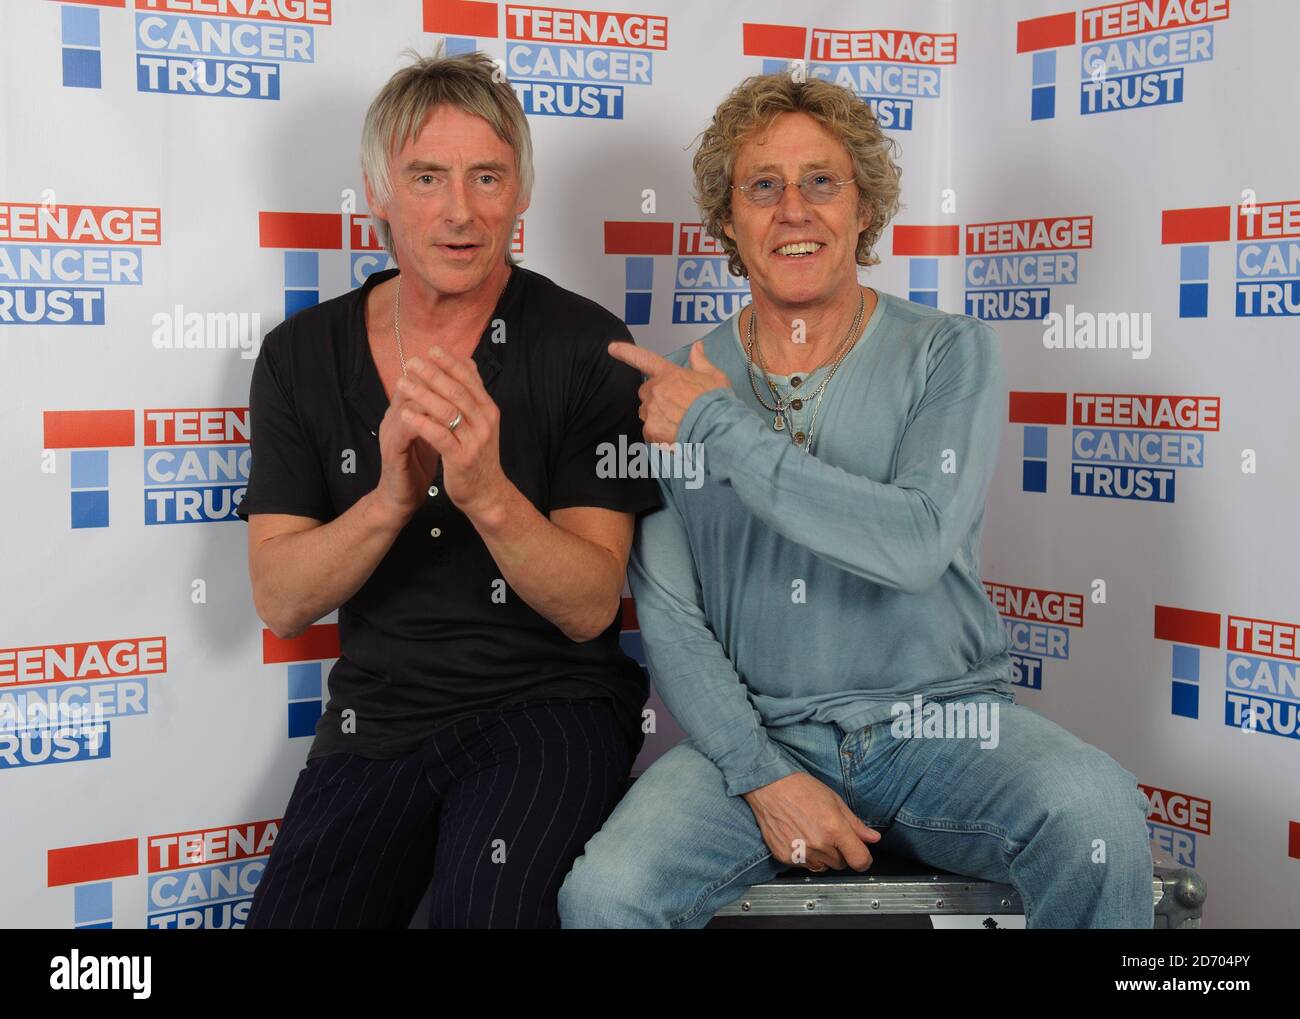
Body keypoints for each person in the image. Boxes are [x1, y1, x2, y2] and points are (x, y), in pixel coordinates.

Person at [558, 72, 1153, 929]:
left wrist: (722, 429)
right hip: (765, 731)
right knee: (604, 895)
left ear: (864, 207)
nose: (793, 208)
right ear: (728, 221)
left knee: (1094, 816)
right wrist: (762, 772)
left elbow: (914, 542)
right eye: (763, 186)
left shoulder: (949, 351)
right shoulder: (670, 392)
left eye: (821, 181)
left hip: (942, 724)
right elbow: (674, 617)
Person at [236, 49, 659, 928]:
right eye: (427, 177)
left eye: (487, 177)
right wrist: (390, 498)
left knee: (488, 912)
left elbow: (589, 606)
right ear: (378, 192)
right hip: (379, 716)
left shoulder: (587, 346)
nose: (460, 212)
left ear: (522, 194)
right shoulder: (300, 355)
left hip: (548, 707)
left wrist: (487, 492)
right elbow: (279, 598)